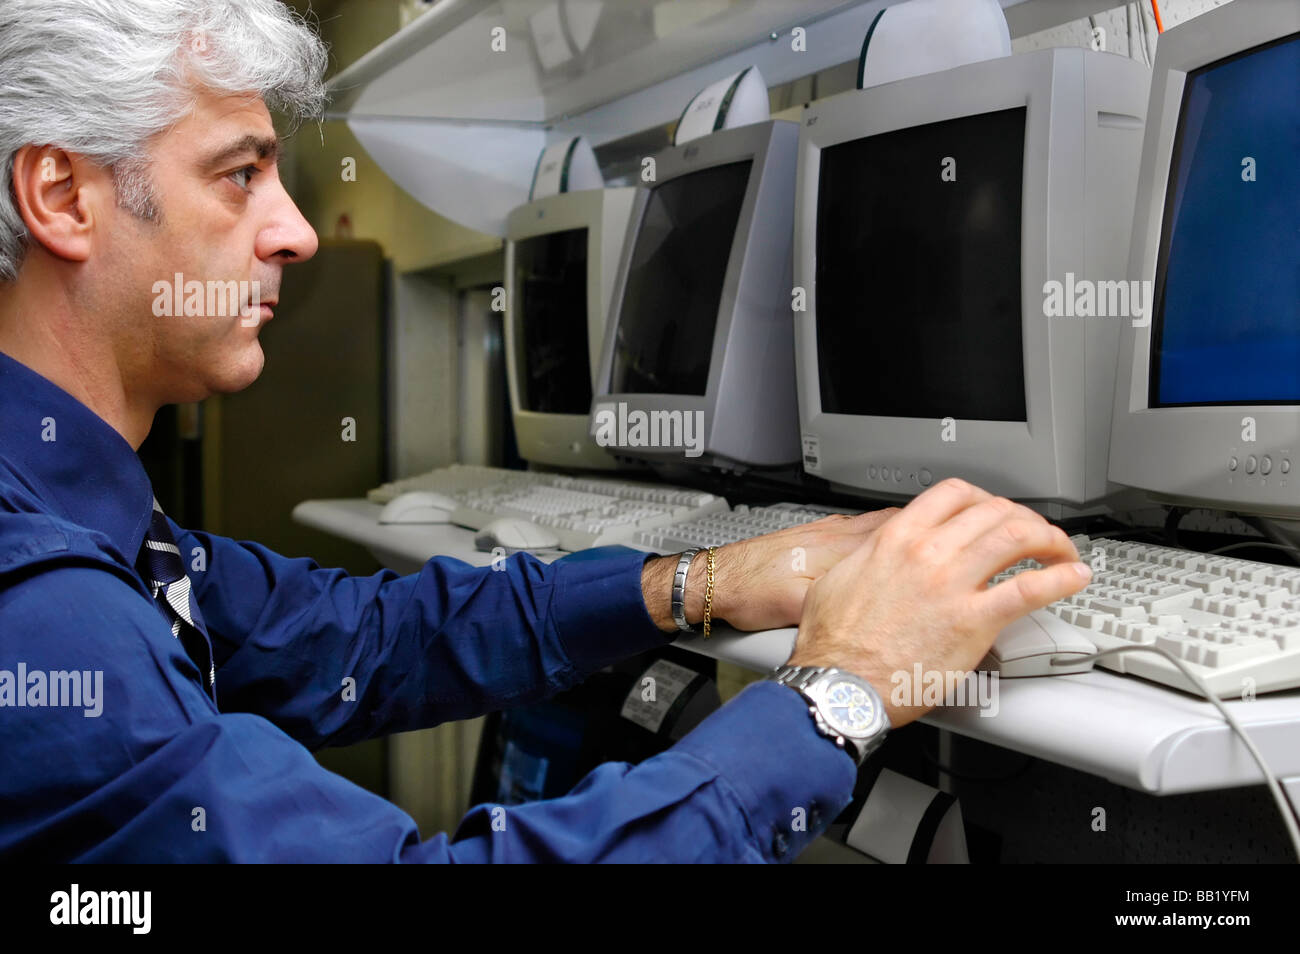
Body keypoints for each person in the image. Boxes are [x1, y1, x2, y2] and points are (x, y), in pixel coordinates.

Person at [0, 0, 1091, 862]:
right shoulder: (39, 608)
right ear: (63, 196)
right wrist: (842, 689)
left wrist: (692, 583)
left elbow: (359, 642)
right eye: (239, 175)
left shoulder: (90, 520)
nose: (292, 232)